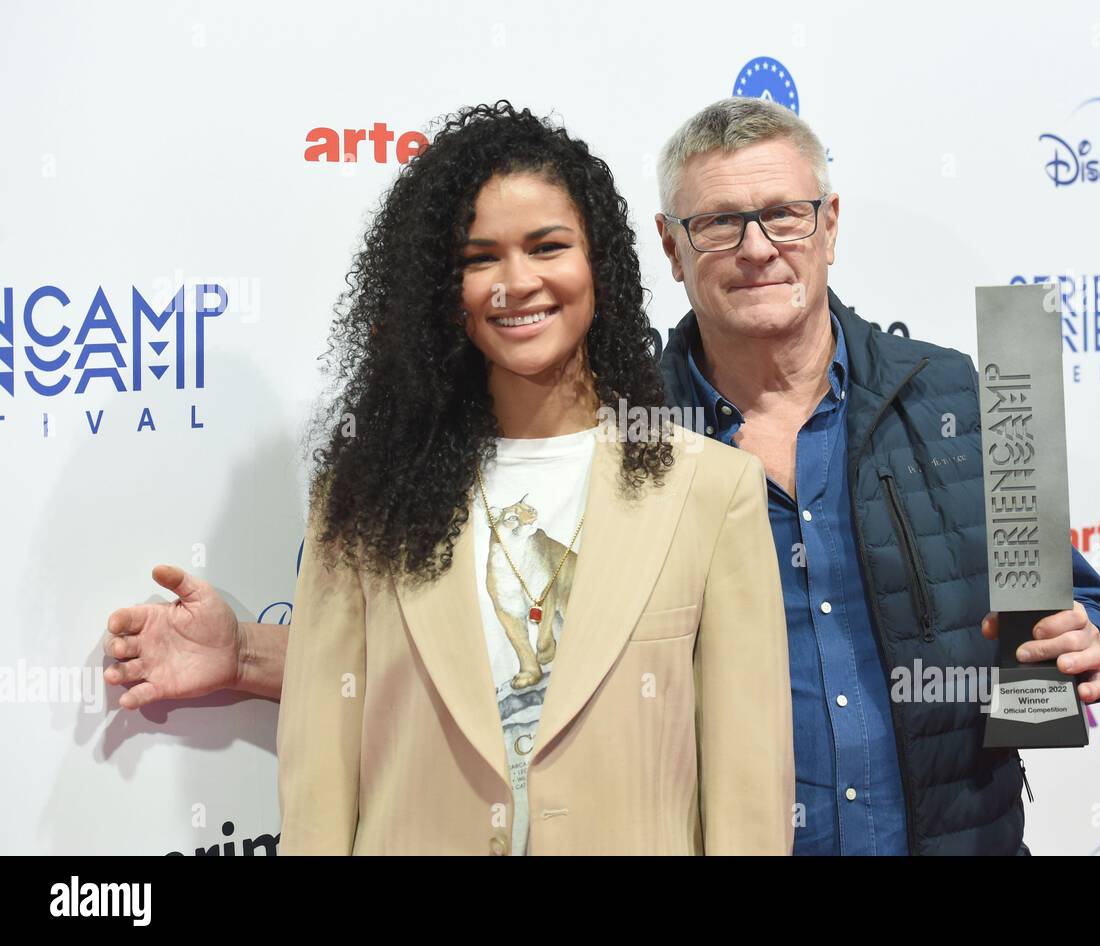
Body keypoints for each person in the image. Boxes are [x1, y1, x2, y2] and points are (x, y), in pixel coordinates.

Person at [105, 98, 1100, 856]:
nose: (758, 246)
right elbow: (486, 652)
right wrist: (245, 649)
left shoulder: (963, 398)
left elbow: (1053, 609)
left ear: (829, 222)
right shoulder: (638, 435)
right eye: (720, 224)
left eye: (784, 213)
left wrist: (1088, 640)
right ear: (670, 251)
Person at [106, 100, 795, 855]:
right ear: (443, 290)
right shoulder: (366, 497)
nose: (515, 282)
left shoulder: (712, 490)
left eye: (547, 247)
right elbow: (318, 796)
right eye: (479, 258)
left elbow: (749, 802)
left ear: (597, 261)